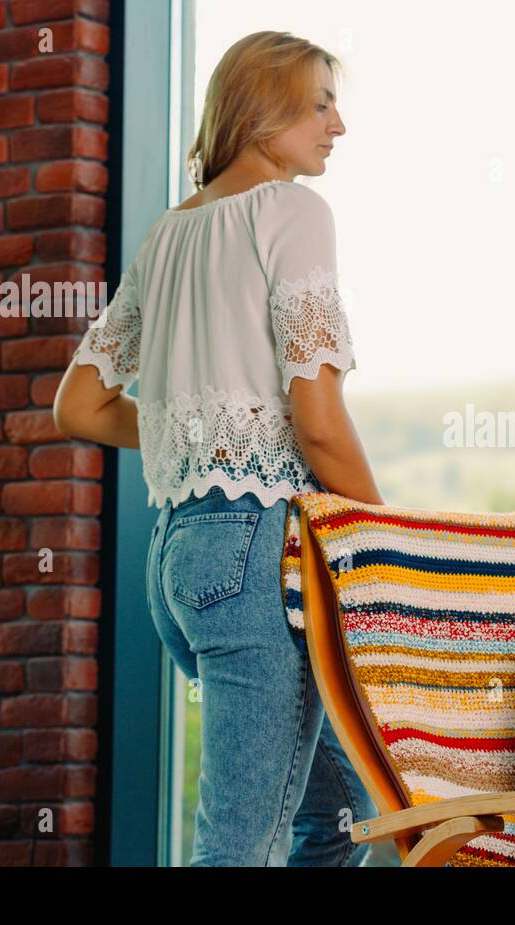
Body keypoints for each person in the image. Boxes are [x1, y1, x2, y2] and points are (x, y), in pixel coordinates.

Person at [53, 31, 381, 866]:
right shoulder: (293, 212)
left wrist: (195, 433)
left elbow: (80, 405)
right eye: (320, 104)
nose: (338, 124)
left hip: (180, 566)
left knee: (347, 808)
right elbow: (318, 421)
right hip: (257, 560)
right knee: (241, 849)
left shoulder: (169, 235)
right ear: (265, 113)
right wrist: (386, 538)